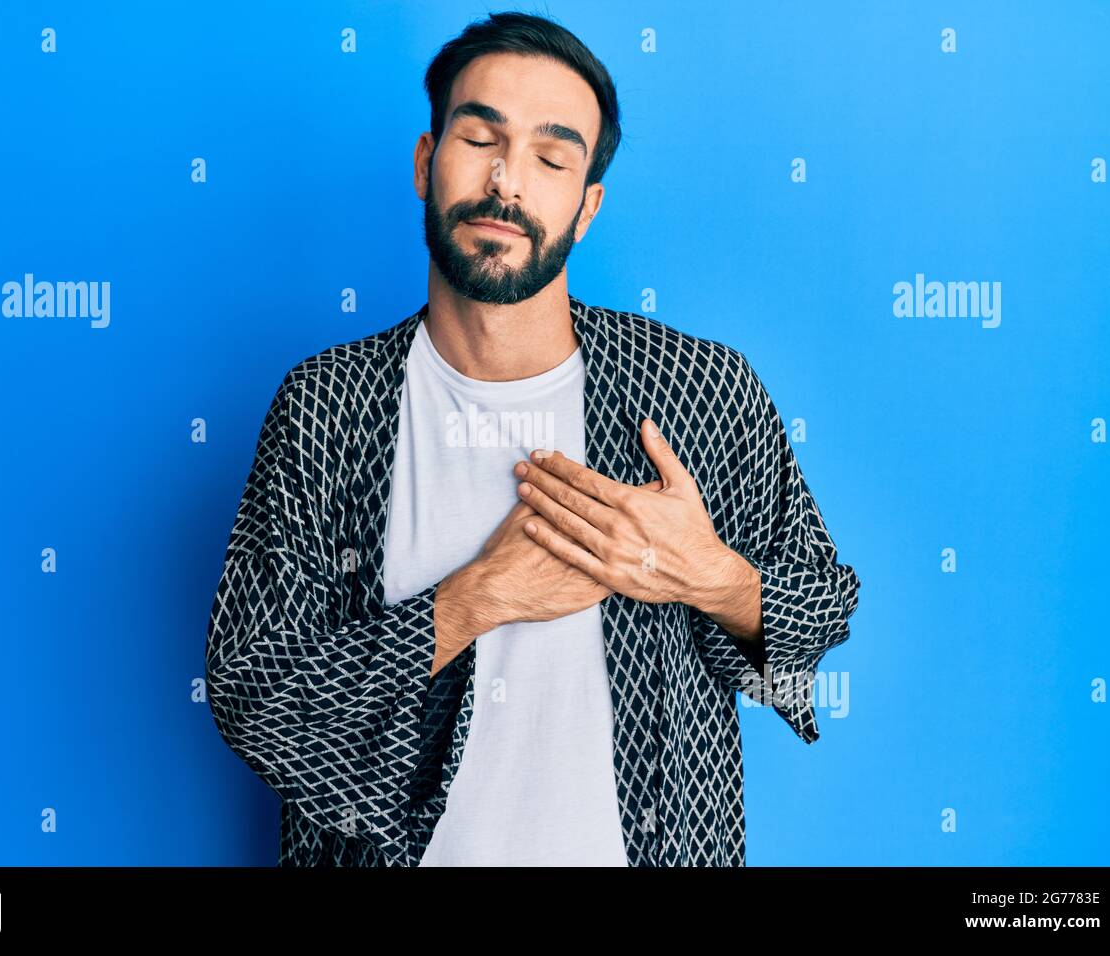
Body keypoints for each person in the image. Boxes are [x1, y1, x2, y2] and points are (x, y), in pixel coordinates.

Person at [204, 10, 861, 867]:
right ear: (424, 163)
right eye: (480, 139)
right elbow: (257, 699)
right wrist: (476, 598)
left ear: (586, 207)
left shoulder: (703, 393)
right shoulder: (327, 406)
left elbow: (809, 643)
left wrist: (710, 576)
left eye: (552, 158)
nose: (508, 182)